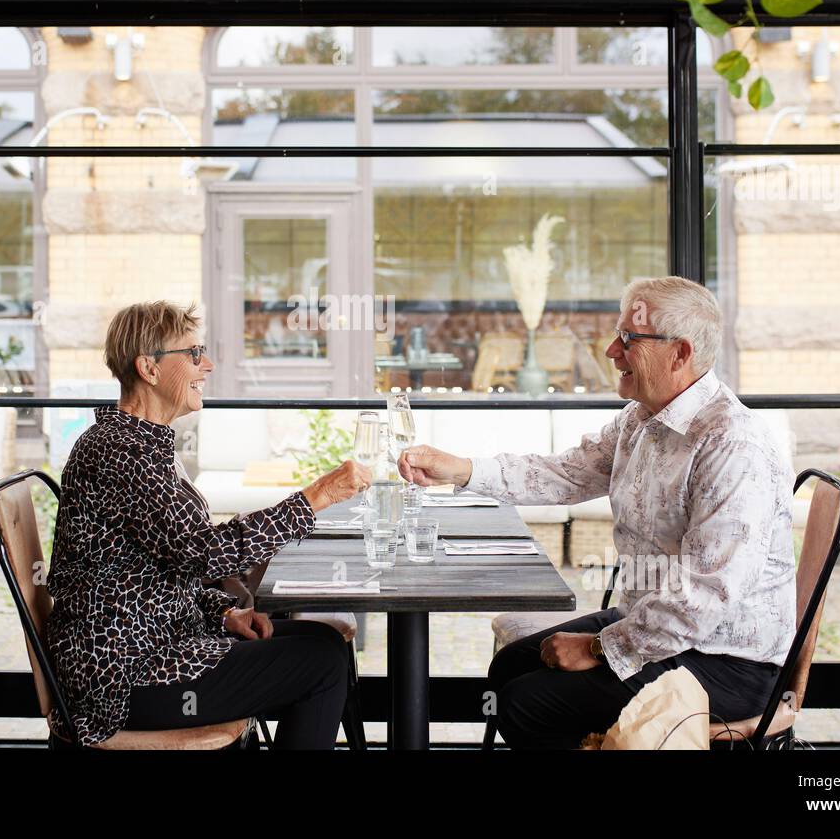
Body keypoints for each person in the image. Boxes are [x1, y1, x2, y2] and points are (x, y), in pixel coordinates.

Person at [399, 277, 794, 749]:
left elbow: (705, 592)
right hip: (658, 624)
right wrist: (460, 469)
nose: (611, 350)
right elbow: (564, 474)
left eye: (629, 339)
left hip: (726, 659)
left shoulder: (732, 443)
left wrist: (599, 648)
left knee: (527, 702)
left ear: (680, 353)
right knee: (509, 668)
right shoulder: (641, 419)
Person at [46, 301, 370, 749]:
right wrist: (315, 497)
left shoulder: (140, 445)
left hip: (159, 645)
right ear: (149, 368)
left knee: (326, 642)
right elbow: (201, 552)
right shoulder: (120, 453)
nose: (209, 364)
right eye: (194, 354)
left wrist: (224, 613)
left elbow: (168, 569)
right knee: (321, 666)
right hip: (125, 677)